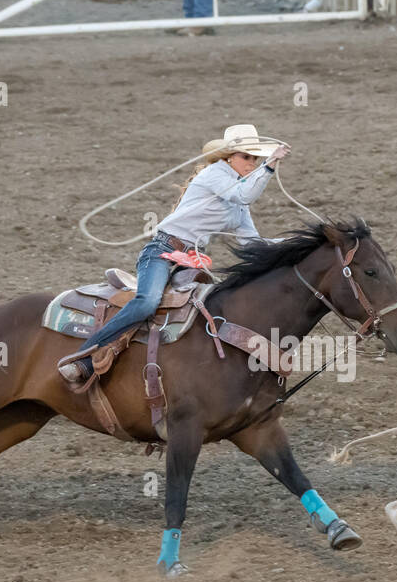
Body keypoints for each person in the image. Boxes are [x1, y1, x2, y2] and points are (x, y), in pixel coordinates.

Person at [60, 123, 290, 385]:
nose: (252, 163)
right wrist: (269, 167)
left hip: (191, 259)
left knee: (209, 307)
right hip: (162, 250)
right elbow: (244, 195)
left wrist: (293, 243)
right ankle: (84, 355)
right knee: (147, 302)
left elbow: (252, 244)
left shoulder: (238, 203)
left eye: (256, 158)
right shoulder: (216, 175)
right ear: (229, 157)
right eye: (246, 157)